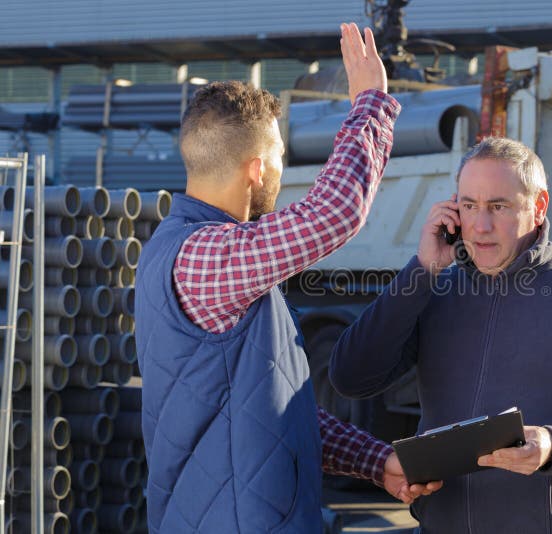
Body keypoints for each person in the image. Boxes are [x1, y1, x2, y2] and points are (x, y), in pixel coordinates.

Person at [135, 23, 440, 533]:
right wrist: (371, 104)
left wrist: (375, 461)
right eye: (280, 157)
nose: (283, 168)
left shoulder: (196, 255)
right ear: (256, 169)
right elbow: (334, 212)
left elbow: (273, 411)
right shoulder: (203, 257)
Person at [329, 137, 552, 533]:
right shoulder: (434, 290)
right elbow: (350, 378)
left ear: (538, 206)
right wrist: (421, 271)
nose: (481, 225)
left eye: (498, 206)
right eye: (469, 205)